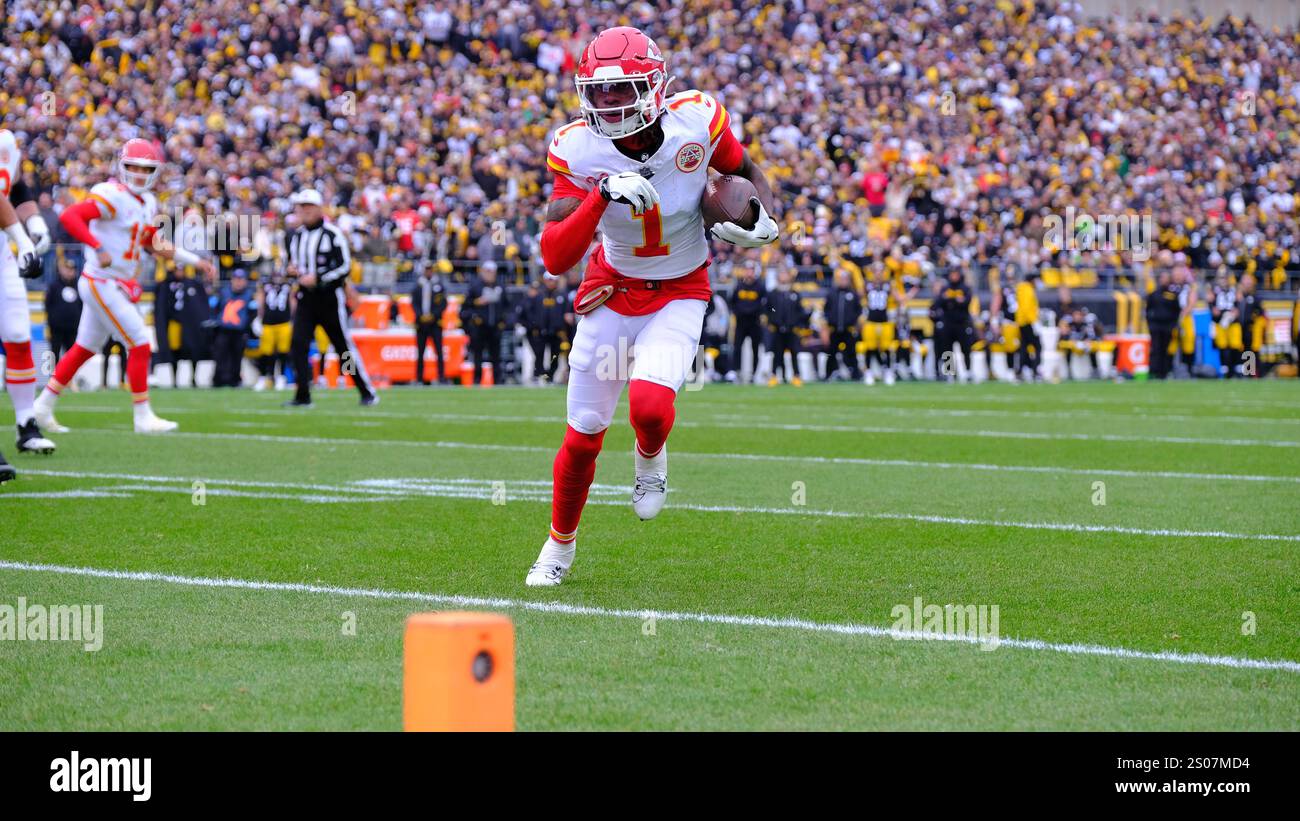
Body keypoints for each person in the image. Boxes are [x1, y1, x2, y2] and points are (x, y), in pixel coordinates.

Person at [526, 26, 778, 586]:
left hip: (680, 288)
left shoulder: (697, 120)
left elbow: (744, 173)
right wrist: (600, 195)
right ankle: (558, 548)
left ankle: (649, 458)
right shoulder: (577, 147)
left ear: (656, 86)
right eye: (600, 92)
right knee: (583, 432)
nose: (609, 104)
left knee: (648, 406)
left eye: (623, 90)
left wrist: (767, 219)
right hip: (613, 290)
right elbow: (553, 255)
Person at [34, 139, 213, 435]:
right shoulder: (112, 194)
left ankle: (43, 406)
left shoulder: (147, 203)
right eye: (133, 166)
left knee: (84, 348)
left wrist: (195, 260)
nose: (139, 173)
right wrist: (97, 246)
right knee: (141, 342)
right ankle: (142, 416)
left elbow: (153, 243)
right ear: (122, 166)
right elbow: (70, 216)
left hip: (114, 282)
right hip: (101, 281)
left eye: (146, 168)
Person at [284, 188, 377, 407]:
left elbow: (345, 267)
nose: (304, 211)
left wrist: (320, 278)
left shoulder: (332, 234)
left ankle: (365, 390)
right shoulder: (295, 236)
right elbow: (294, 265)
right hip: (306, 298)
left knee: (343, 348)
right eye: (301, 207)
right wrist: (292, 271)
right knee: (298, 344)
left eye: (308, 206)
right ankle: (303, 394)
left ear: (318, 208)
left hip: (329, 298)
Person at [0, 129, 55, 479]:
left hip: (1, 249)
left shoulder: (6, 141)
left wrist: (35, 222)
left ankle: (26, 424)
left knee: (19, 334)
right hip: (8, 238)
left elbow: (15, 187)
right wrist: (22, 236)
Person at [465, 260, 510, 385]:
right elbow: (466, 306)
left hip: (495, 326)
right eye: (488, 271)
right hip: (479, 326)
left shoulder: (500, 286)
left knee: (496, 355)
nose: (490, 274)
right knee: (478, 354)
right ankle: (477, 380)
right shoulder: (475, 286)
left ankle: (497, 380)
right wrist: (476, 303)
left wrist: (503, 321)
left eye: (492, 272)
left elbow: (507, 306)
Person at [521, 275, 569, 384]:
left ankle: (550, 376)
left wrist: (562, 327)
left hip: (556, 331)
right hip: (540, 331)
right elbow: (529, 311)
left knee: (555, 355)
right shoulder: (538, 295)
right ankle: (538, 374)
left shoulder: (561, 295)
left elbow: (566, 313)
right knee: (539, 354)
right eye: (549, 280)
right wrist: (533, 325)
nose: (550, 283)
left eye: (552, 280)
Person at [212, 268, 254, 387]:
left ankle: (234, 380)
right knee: (220, 356)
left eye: (241, 279)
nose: (238, 282)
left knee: (237, 357)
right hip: (223, 330)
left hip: (239, 332)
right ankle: (219, 380)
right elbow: (216, 309)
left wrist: (247, 329)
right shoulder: (224, 292)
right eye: (236, 279)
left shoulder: (249, 295)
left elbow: (252, 314)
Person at [765, 269, 807, 386]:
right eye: (782, 274)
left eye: (785, 274)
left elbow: (800, 311)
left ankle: (796, 376)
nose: (783, 277)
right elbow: (767, 310)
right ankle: (773, 376)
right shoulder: (772, 293)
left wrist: (797, 324)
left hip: (792, 329)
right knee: (777, 354)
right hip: (777, 329)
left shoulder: (795, 294)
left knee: (794, 353)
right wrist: (771, 323)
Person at [253, 267, 293, 391]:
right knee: (265, 353)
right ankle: (264, 377)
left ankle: (280, 377)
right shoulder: (265, 285)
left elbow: (292, 303)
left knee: (283, 352)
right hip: (268, 323)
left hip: (284, 323)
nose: (277, 277)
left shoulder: (289, 285)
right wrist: (259, 317)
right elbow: (260, 301)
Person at [933, 268, 975, 382]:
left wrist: (952, 299)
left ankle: (968, 372)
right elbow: (938, 303)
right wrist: (949, 299)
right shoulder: (945, 288)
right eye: (952, 274)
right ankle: (950, 373)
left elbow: (966, 302)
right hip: (948, 324)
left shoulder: (965, 288)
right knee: (947, 350)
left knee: (965, 349)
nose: (954, 276)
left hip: (962, 323)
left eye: (955, 274)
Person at [726, 264, 766, 382]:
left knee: (755, 348)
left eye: (751, 270)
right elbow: (731, 302)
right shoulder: (738, 286)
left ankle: (754, 373)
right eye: (747, 270)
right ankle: (735, 371)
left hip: (755, 322)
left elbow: (765, 303)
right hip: (741, 322)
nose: (749, 273)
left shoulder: (760, 286)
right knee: (737, 347)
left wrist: (758, 314)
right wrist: (738, 312)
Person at [410, 260, 448, 385]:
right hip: (421, 324)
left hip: (435, 323)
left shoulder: (438, 286)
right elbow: (414, 303)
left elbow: (443, 303)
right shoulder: (418, 286)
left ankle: (441, 377)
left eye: (430, 269)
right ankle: (419, 377)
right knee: (420, 352)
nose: (428, 271)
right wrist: (421, 315)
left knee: (439, 351)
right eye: (426, 269)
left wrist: (434, 315)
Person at [822, 268, 862, 381]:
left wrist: (852, 321)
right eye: (841, 279)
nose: (843, 281)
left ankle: (855, 375)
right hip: (834, 329)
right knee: (831, 353)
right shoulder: (832, 294)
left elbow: (858, 310)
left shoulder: (853, 294)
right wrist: (830, 320)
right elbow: (826, 310)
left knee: (851, 353)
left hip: (848, 329)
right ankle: (828, 375)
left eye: (845, 279)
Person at [1146, 269, 1181, 379]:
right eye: (1162, 277)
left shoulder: (1173, 295)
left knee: (1165, 349)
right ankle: (1153, 371)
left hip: (1168, 326)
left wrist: (1173, 324)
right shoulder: (1154, 294)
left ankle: (1164, 372)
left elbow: (1177, 310)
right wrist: (1150, 323)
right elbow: (1148, 310)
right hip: (1156, 326)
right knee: (1155, 349)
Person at [44, 261, 82, 362]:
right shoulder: (54, 286)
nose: (69, 272)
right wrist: (51, 322)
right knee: (53, 354)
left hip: (73, 329)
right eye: (67, 269)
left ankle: (70, 377)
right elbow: (47, 305)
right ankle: (52, 376)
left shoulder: (80, 286)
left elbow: (82, 306)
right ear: (61, 270)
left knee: (71, 356)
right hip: (56, 329)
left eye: (72, 270)